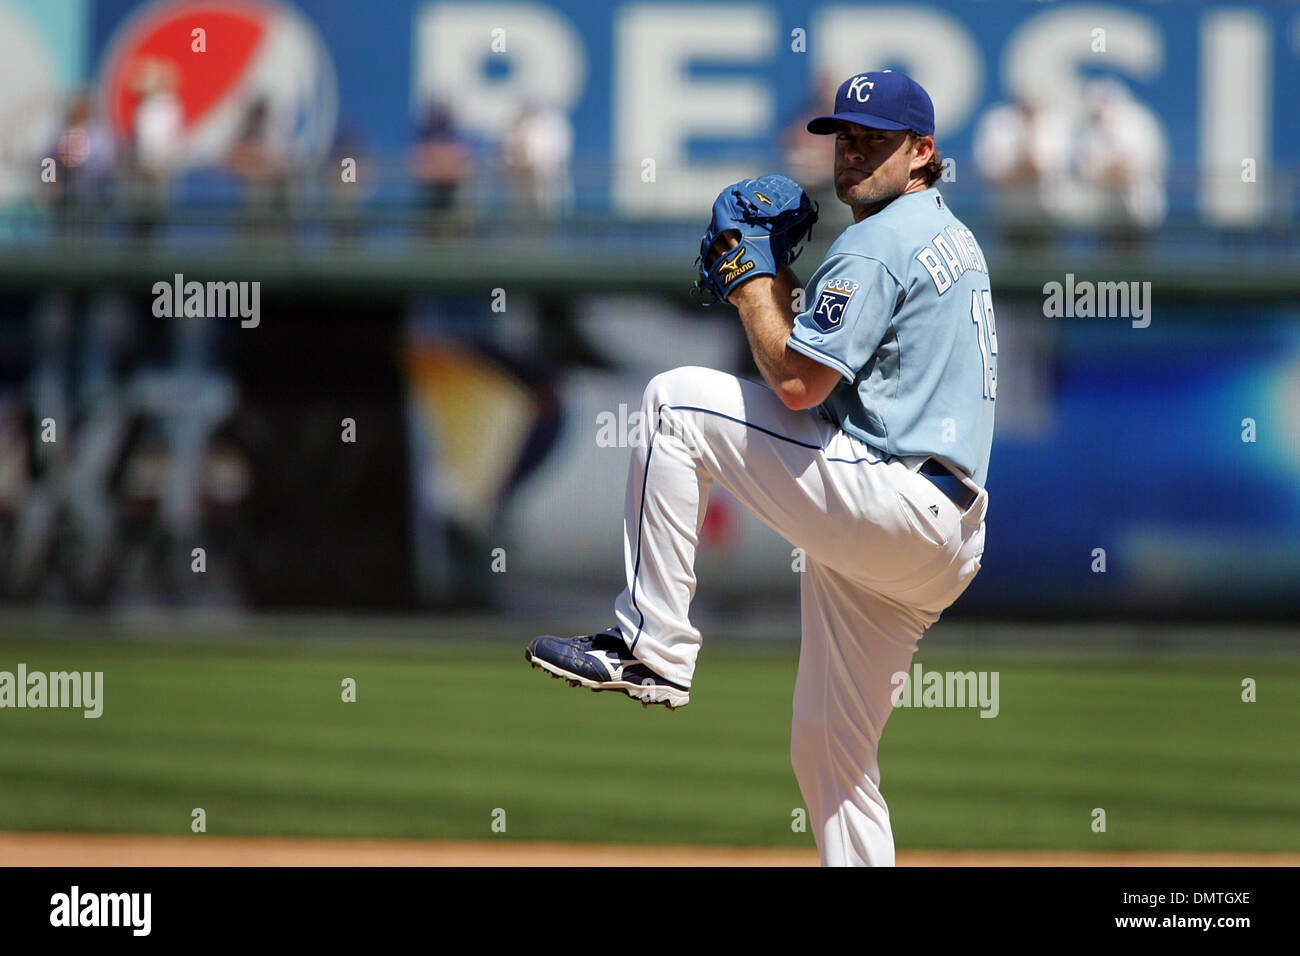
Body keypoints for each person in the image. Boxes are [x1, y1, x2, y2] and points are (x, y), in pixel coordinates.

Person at [524, 71, 995, 867]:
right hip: (938, 538)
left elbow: (796, 383)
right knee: (828, 753)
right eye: (845, 136)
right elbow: (839, 359)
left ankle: (653, 647)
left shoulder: (880, 241)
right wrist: (778, 288)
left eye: (874, 140)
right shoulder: (947, 233)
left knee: (676, 404)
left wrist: (753, 283)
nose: (852, 153)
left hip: (893, 496)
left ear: (923, 153)